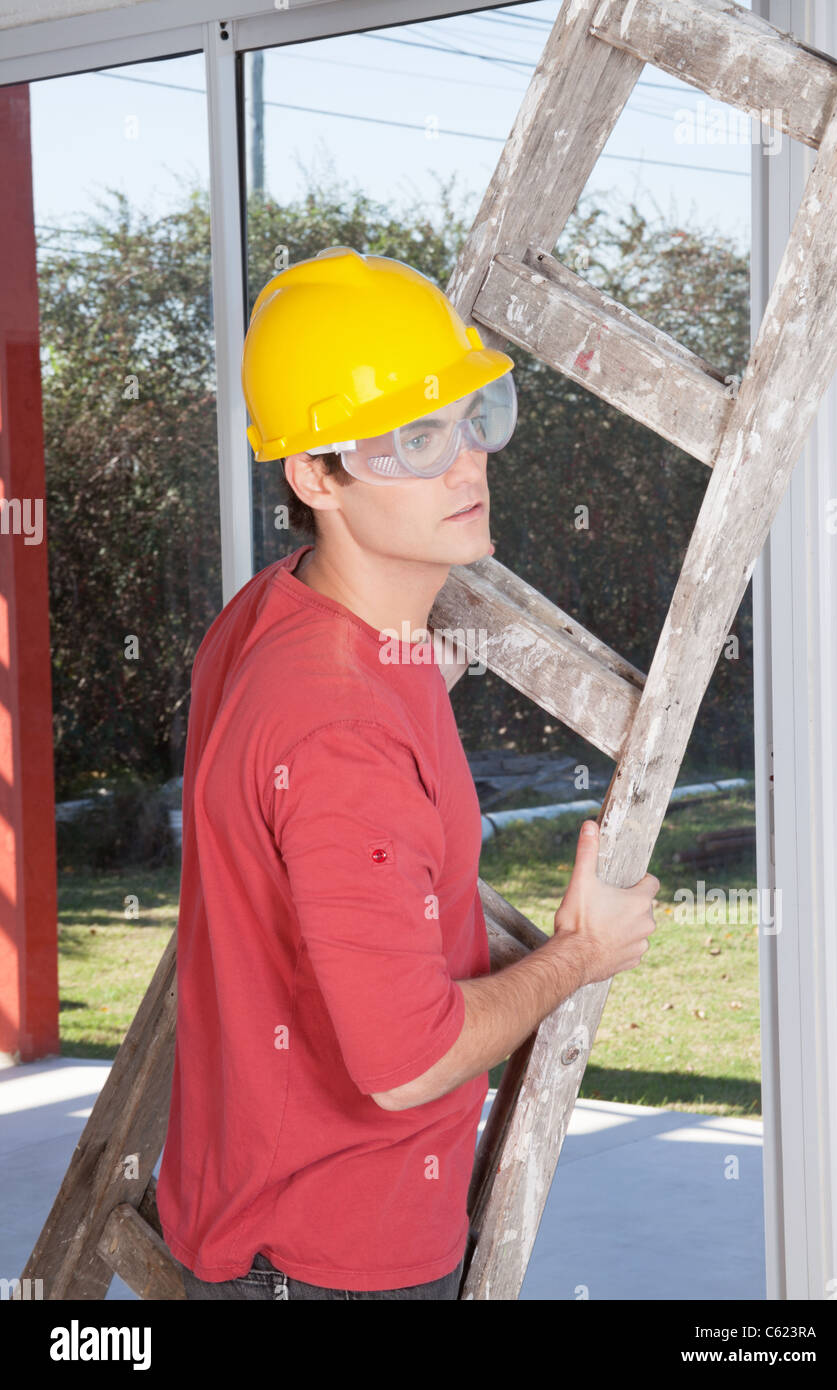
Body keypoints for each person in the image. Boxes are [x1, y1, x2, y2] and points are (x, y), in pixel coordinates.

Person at [156, 246, 659, 1301]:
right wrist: (577, 954)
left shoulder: (275, 612)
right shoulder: (339, 728)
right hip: (327, 1261)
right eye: (410, 438)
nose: (464, 462)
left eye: (473, 417)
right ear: (314, 475)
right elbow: (404, 1062)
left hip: (260, 1217)